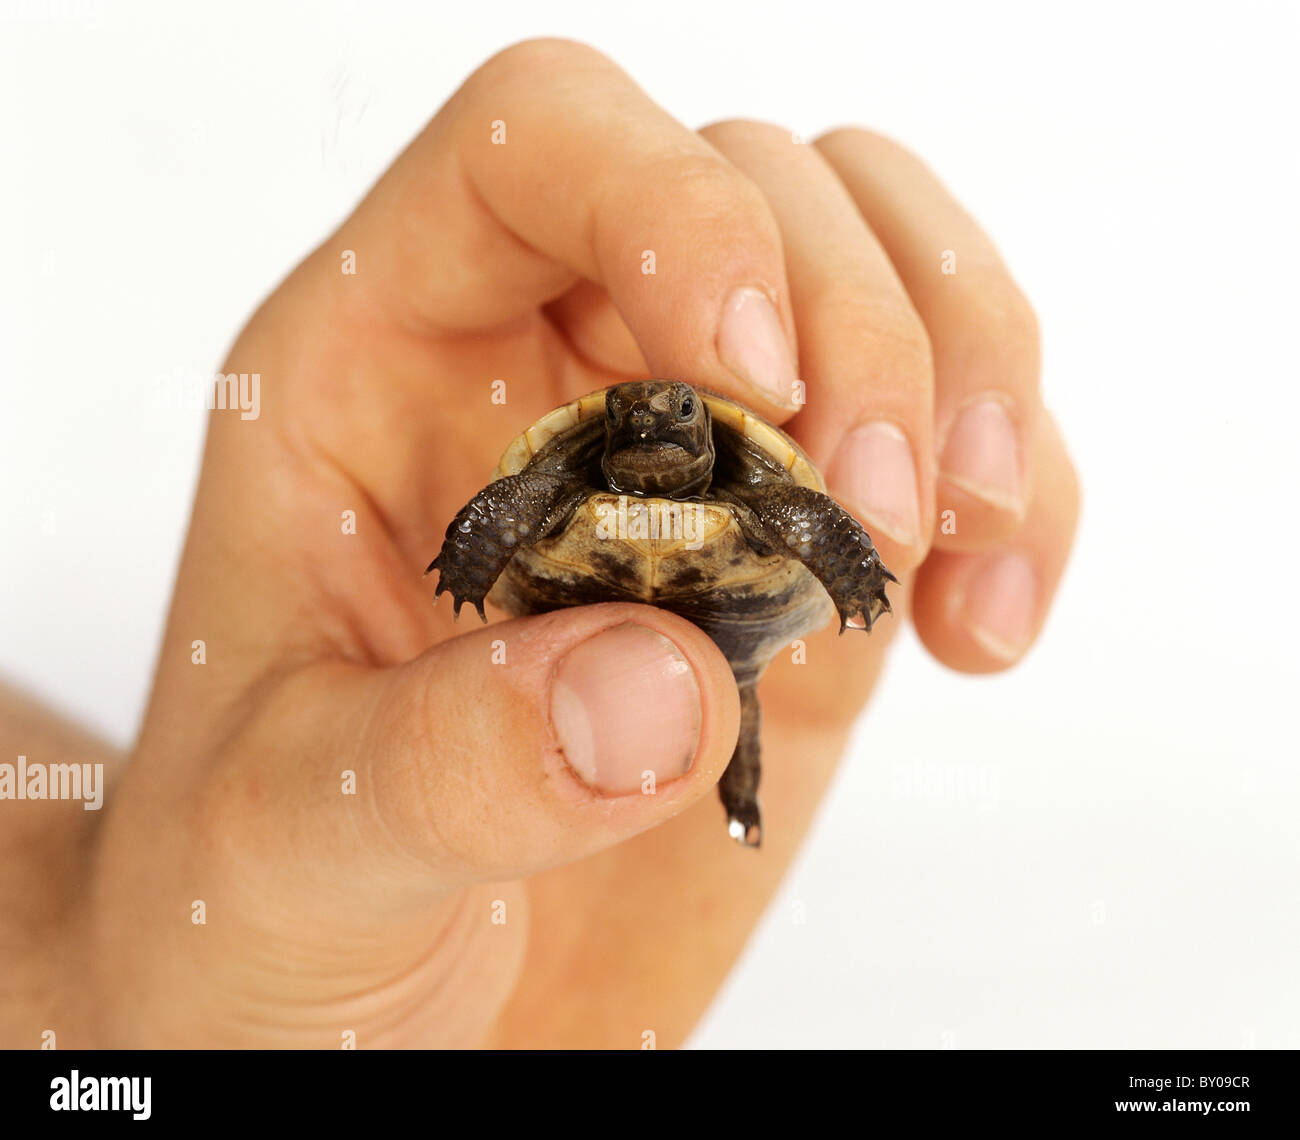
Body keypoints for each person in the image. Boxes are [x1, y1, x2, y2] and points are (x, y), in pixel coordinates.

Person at [0, 38, 1078, 1048]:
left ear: (706, 444)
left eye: (679, 425)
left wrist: (854, 569)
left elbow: (808, 519)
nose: (657, 429)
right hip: (575, 614)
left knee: (733, 705)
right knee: (711, 688)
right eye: (641, 423)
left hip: (734, 626)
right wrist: (101, 1006)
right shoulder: (570, 477)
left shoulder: (760, 498)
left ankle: (736, 797)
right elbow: (509, 508)